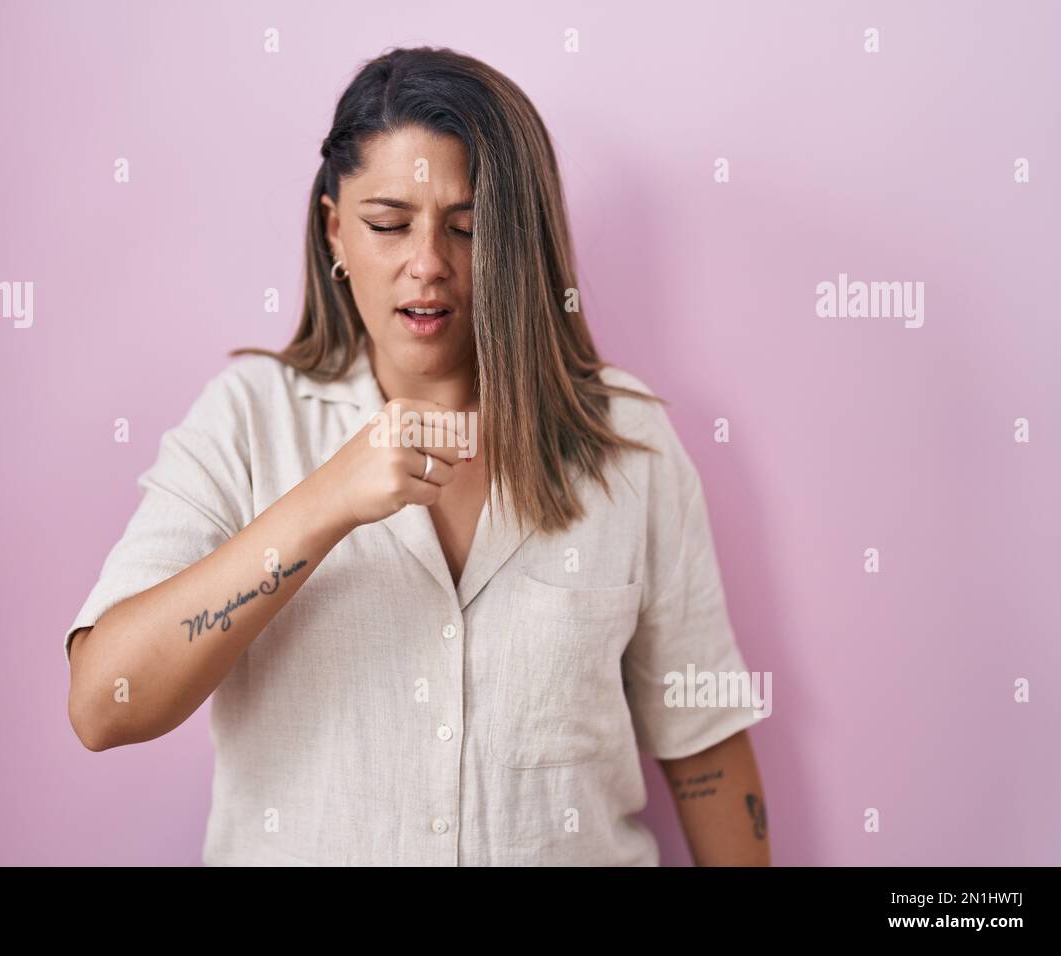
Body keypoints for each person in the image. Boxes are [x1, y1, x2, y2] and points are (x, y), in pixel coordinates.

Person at [65, 46, 768, 866]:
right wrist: (326, 501)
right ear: (335, 228)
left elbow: (705, 748)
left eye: (468, 228)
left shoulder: (631, 446)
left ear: (521, 239)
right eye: (389, 224)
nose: (428, 264)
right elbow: (102, 706)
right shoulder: (247, 419)